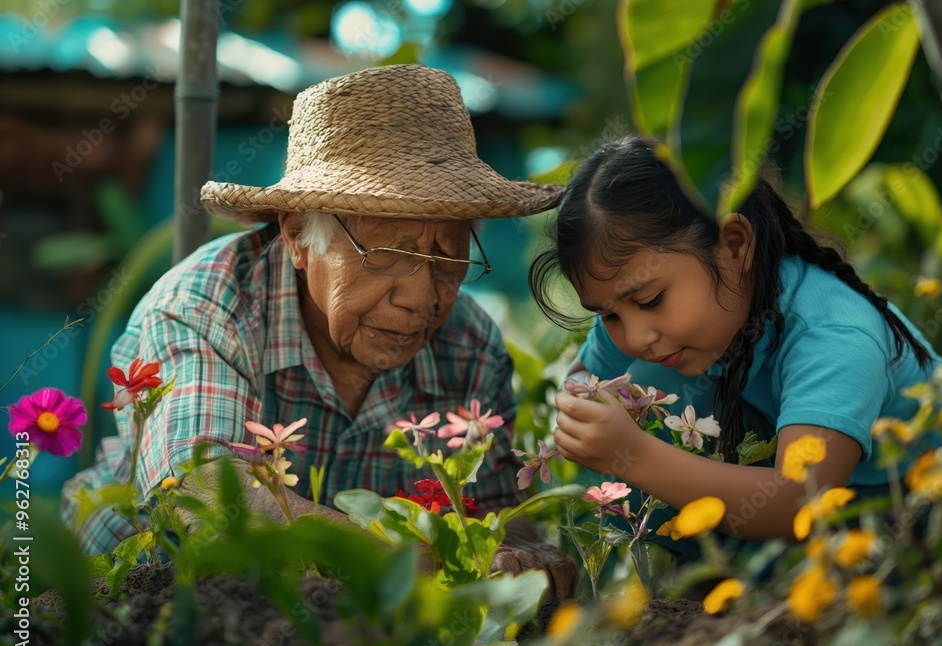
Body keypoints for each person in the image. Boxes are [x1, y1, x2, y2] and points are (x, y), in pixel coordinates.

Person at [61, 64, 576, 598]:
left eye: (449, 255)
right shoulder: (208, 304)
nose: (425, 296)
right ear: (298, 239)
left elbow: (495, 507)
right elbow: (200, 488)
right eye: (386, 255)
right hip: (134, 601)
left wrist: (522, 554)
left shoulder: (469, 343)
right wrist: (388, 561)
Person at [530, 135, 942, 557]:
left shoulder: (833, 335)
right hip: (805, 545)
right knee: (634, 383)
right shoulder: (652, 316)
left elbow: (798, 503)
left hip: (921, 533)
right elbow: (584, 378)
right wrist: (584, 408)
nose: (636, 337)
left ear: (734, 245)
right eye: (609, 315)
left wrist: (631, 455)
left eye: (651, 300)